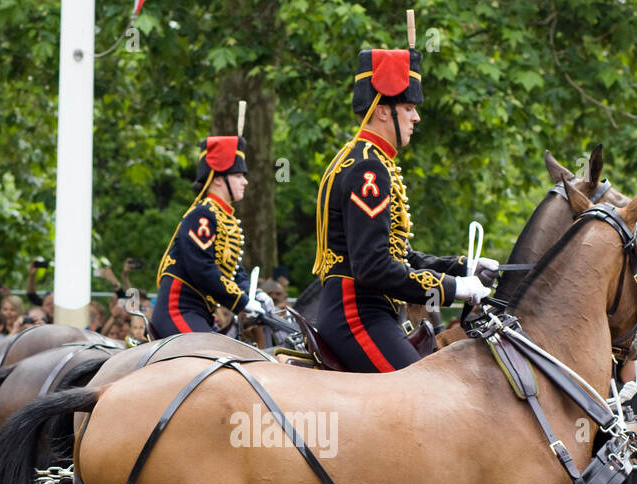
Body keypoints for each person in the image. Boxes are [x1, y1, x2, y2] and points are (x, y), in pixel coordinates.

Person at [311, 47, 493, 371]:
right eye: (409, 107)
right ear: (383, 111)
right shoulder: (368, 168)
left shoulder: (371, 160)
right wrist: (454, 290)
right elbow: (374, 267)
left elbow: (402, 257)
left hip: (369, 311)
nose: (416, 117)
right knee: (430, 399)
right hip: (357, 314)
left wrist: (463, 269)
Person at [149, 132, 272, 337]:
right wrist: (241, 302)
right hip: (178, 311)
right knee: (214, 359)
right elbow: (203, 268)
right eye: (239, 176)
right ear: (217, 180)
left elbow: (233, 272)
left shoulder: (225, 218)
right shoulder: (202, 216)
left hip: (202, 313)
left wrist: (254, 294)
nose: (245, 182)